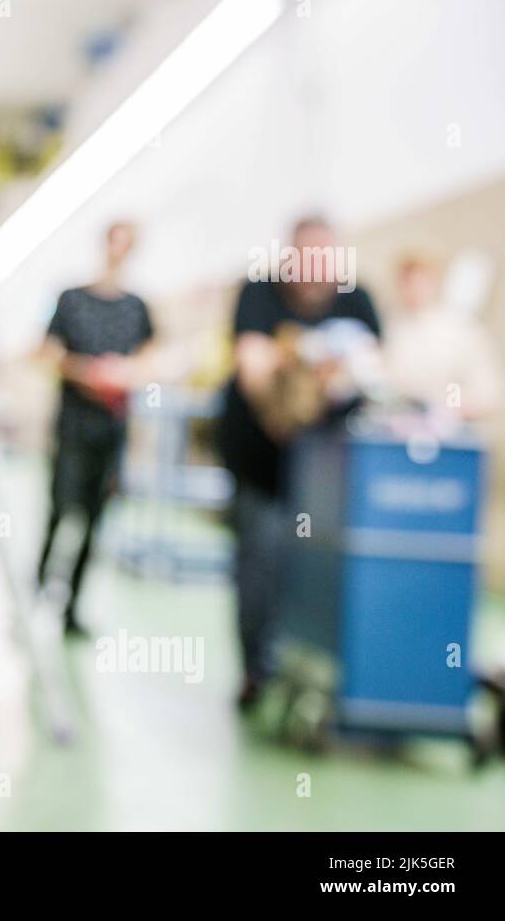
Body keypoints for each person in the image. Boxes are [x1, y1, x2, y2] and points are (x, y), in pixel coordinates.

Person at [217, 216, 381, 709]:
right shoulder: (259, 293)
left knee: (320, 571)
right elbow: (254, 368)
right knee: (261, 562)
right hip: (262, 466)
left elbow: (371, 369)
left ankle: (318, 673)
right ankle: (257, 673)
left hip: (330, 476)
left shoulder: (357, 301)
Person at [37, 221, 154, 635]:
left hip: (112, 426)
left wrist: (125, 375)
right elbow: (48, 353)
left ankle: (72, 607)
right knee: (60, 510)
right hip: (74, 422)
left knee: (94, 517)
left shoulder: (137, 308)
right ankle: (36, 595)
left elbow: (149, 359)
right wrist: (85, 371)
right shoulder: (72, 299)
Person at [383, 253, 501, 422]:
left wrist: (450, 407)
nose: (415, 289)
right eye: (408, 282)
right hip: (397, 427)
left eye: (421, 281)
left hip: (452, 432)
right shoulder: (389, 327)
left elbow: (485, 388)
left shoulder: (461, 329)